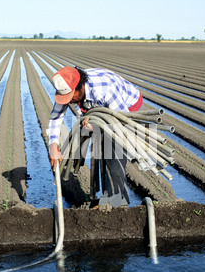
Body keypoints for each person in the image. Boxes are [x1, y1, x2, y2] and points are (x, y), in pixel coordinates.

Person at [48, 66, 143, 207]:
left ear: (79, 88)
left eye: (70, 97)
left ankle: (115, 201)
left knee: (113, 149)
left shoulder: (104, 90)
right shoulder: (67, 86)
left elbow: (120, 122)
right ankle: (113, 197)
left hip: (126, 107)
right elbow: (56, 117)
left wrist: (97, 127)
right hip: (98, 107)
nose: (68, 101)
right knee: (101, 147)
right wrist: (53, 145)